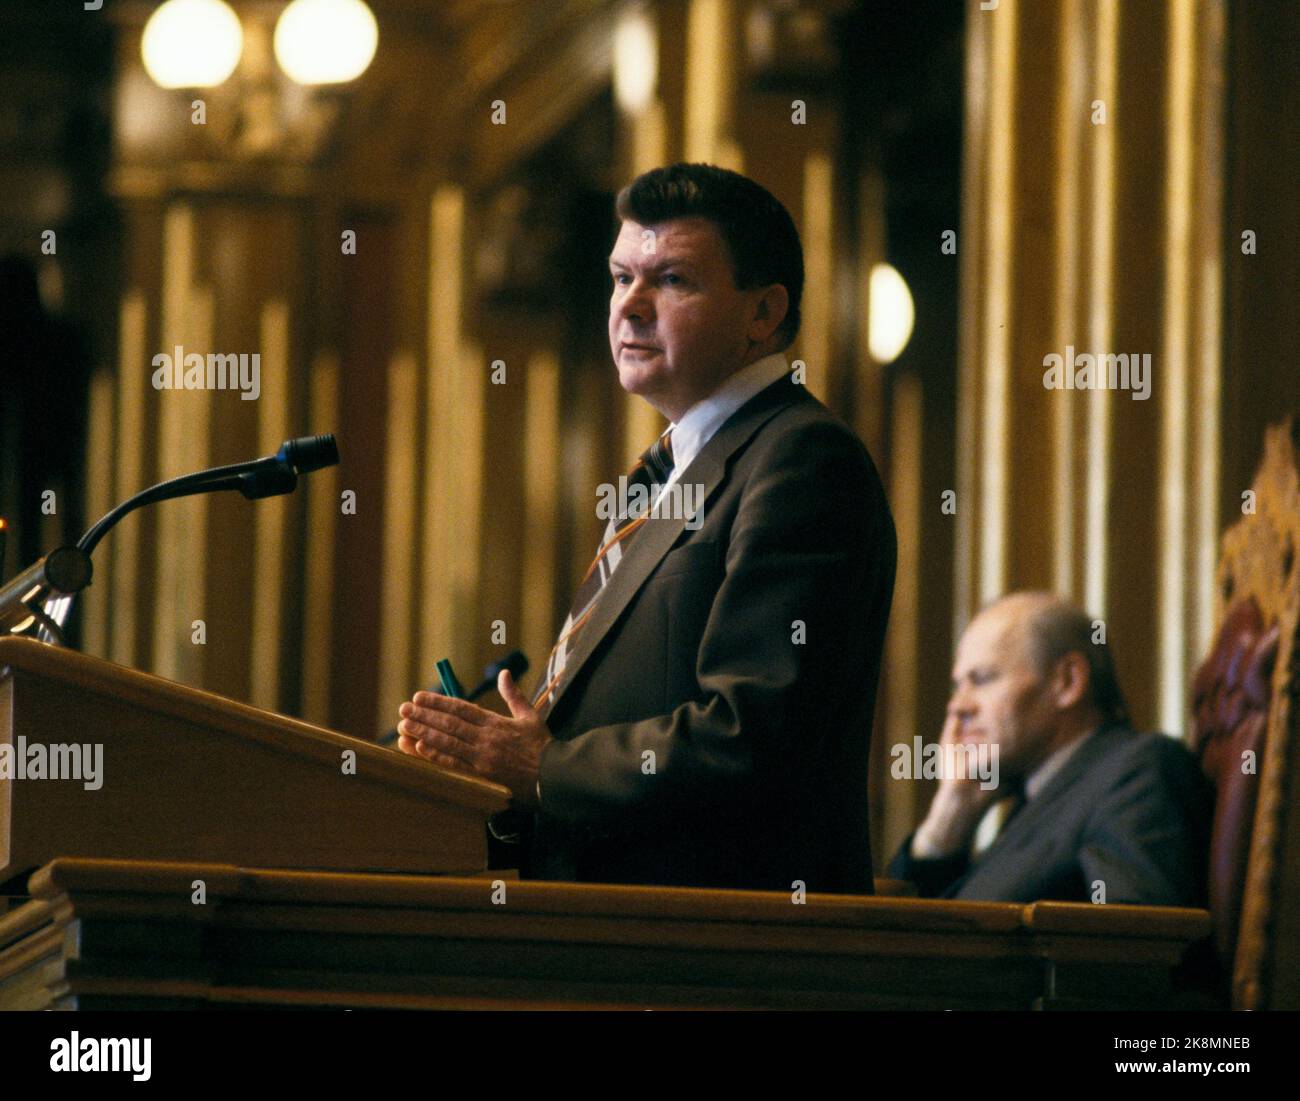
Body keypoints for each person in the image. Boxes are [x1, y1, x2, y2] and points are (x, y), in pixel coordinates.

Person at [397, 163, 896, 892]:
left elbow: (751, 734)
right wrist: (496, 778)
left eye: (671, 280)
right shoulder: (662, 475)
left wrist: (545, 767)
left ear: (763, 314)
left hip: (722, 950)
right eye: (620, 275)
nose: (629, 306)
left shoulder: (801, 460)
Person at [887, 591, 1211, 905]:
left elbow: (1134, 945)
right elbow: (915, 929)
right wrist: (949, 818)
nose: (957, 707)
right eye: (958, 686)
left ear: (1067, 682)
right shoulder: (1034, 794)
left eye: (982, 679)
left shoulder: (1138, 772)